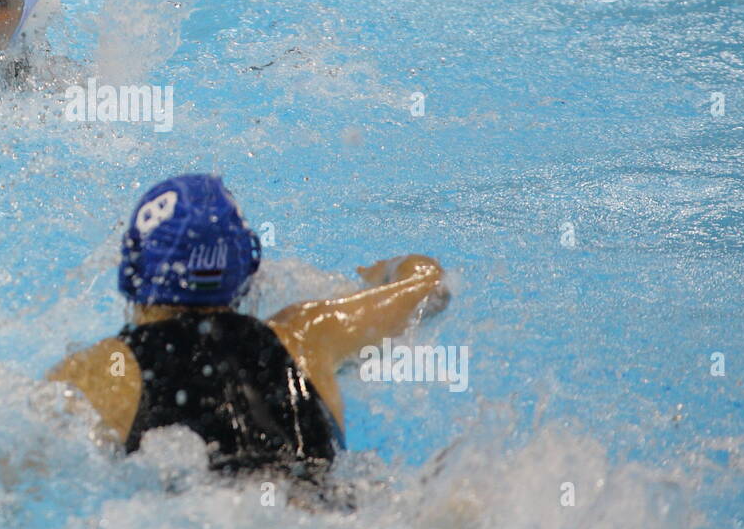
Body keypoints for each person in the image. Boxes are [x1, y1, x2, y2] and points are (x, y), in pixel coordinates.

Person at [47, 174, 449, 481]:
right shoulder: (307, 334)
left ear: (134, 268)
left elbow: (22, 475)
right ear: (246, 265)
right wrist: (380, 273)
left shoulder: (102, 370)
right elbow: (430, 283)